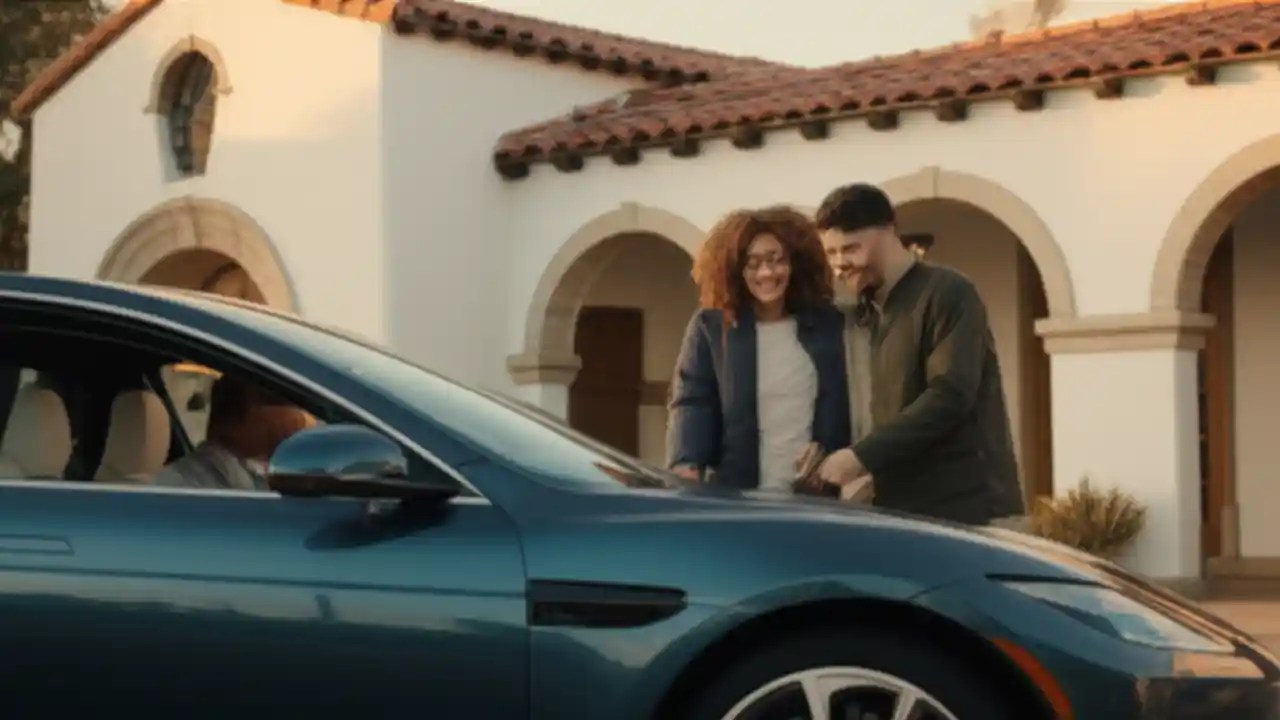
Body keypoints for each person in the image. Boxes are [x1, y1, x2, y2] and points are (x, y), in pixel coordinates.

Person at [813, 182, 1025, 525]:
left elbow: (950, 394)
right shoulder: (867, 310)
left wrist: (860, 457)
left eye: (850, 249)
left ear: (889, 233)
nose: (840, 265)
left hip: (962, 512)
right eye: (831, 253)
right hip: (899, 511)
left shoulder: (949, 292)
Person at [666, 205, 850, 492]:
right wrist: (686, 464)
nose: (766, 273)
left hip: (814, 497)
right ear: (734, 270)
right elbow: (693, 400)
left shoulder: (829, 324)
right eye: (752, 263)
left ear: (795, 263)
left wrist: (830, 451)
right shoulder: (711, 327)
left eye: (776, 260)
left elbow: (846, 400)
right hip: (738, 497)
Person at [154, 373, 315, 491]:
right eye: (298, 408)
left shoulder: (203, 479)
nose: (308, 421)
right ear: (256, 411)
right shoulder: (198, 492)